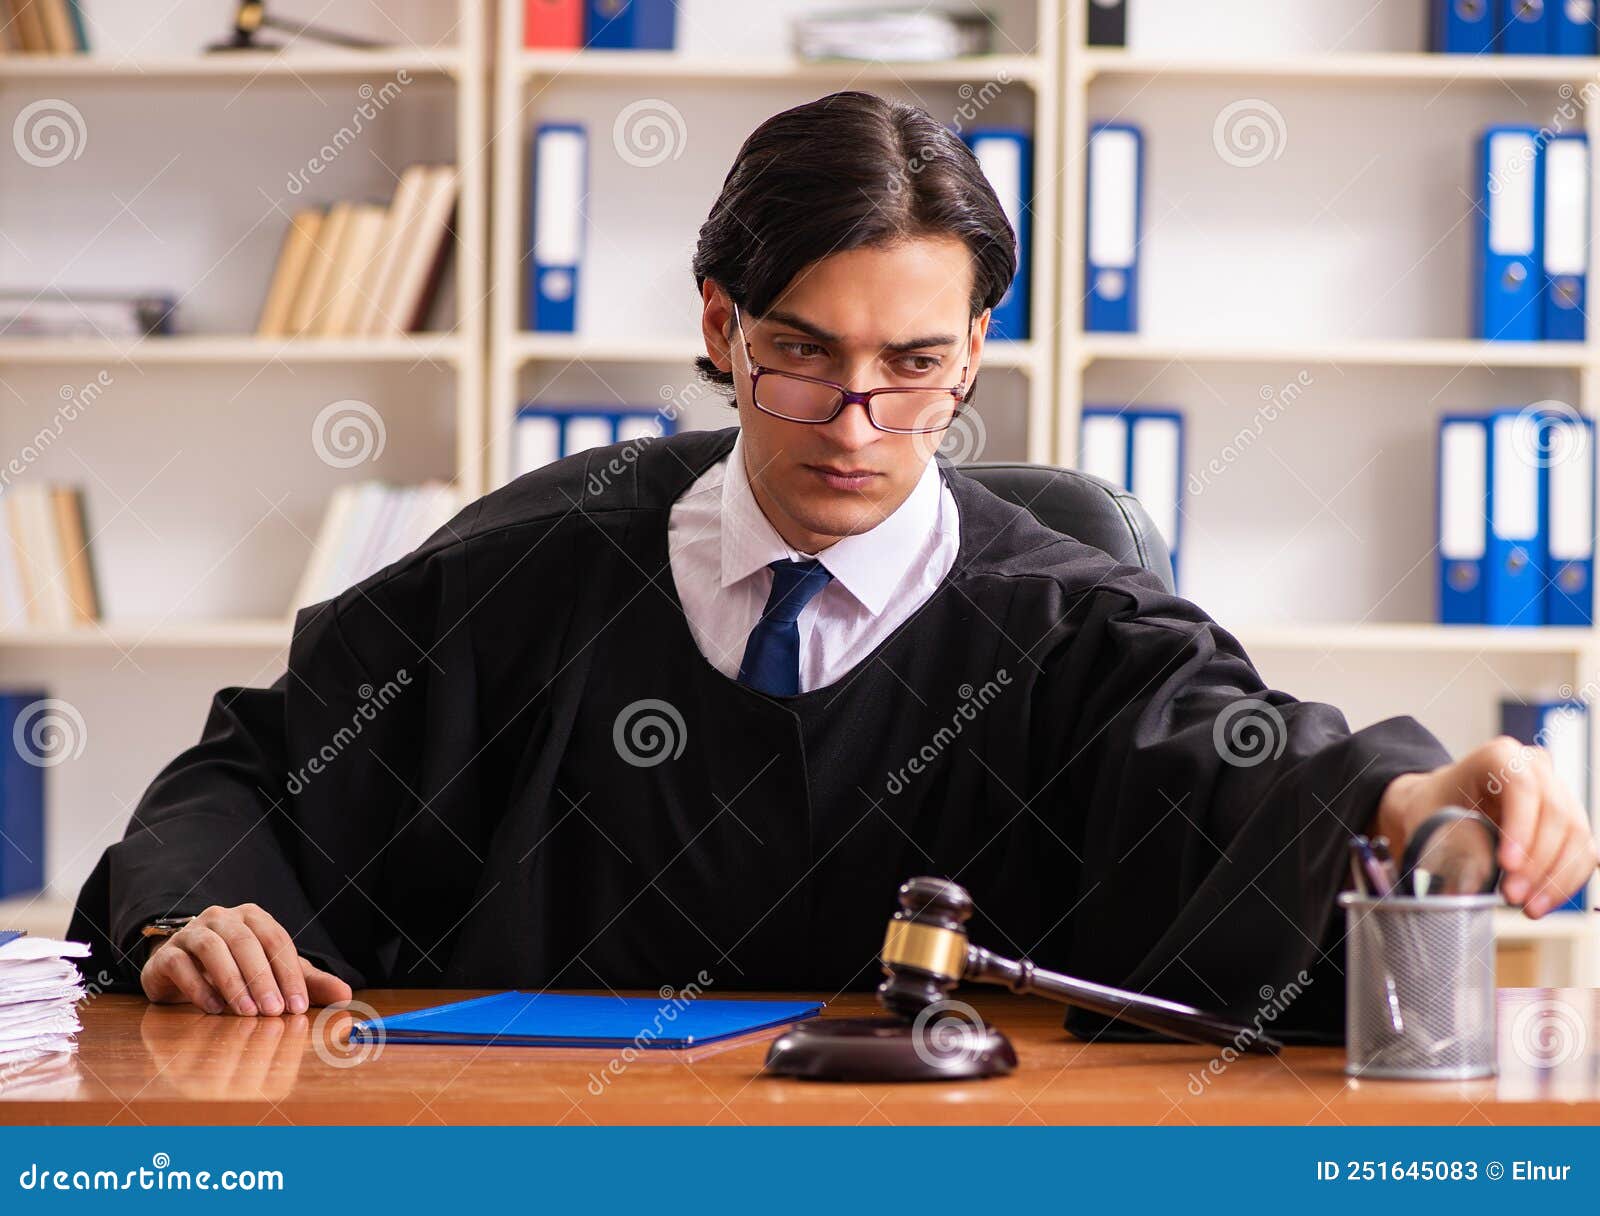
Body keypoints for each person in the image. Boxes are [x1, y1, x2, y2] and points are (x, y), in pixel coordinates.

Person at [69, 91, 1596, 1041]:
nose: (858, 424)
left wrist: (1412, 803)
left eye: (915, 366)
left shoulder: (1063, 620)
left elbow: (1233, 773)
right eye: (802, 358)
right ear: (725, 328)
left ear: (976, 351)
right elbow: (247, 781)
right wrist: (191, 914)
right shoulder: (526, 577)